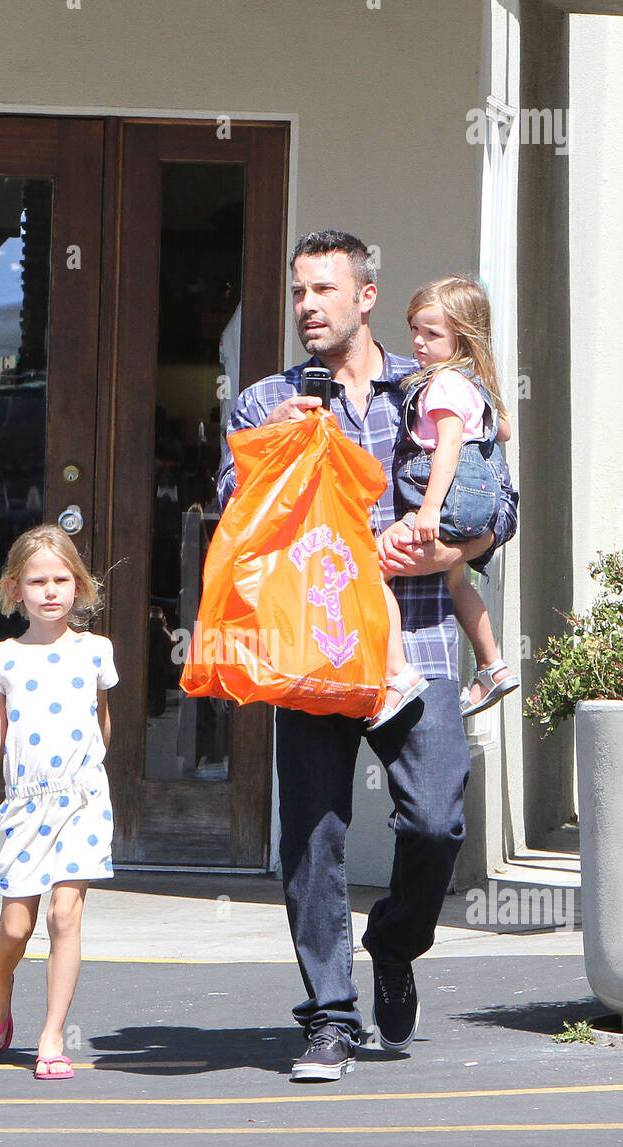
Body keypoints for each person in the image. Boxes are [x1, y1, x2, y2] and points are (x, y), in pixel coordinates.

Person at [217, 230, 518, 1081]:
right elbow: (232, 519)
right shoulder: (264, 401)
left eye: (323, 290)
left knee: (434, 821)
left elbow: (499, 500)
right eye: (299, 293)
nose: (308, 307)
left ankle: (392, 943)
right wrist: (273, 445)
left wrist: (460, 548)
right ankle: (328, 1018)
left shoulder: (431, 386)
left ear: (365, 295)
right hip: (310, 648)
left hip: (415, 639)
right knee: (311, 838)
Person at [0, 524, 117, 1080]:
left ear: (79, 586)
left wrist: (89, 773)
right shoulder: (3, 657)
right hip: (25, 807)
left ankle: (51, 1039)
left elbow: (102, 725)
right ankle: (1, 984)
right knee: (15, 927)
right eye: (37, 581)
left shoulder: (95, 651)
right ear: (15, 589)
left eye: (61, 579)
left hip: (82, 801)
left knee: (65, 914)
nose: (50, 590)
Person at [394, 276, 520, 717]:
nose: (418, 341)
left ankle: (397, 673)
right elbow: (501, 430)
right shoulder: (472, 383)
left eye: (432, 334)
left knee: (373, 567)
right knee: (455, 580)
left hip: (446, 500)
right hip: (479, 503)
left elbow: (448, 445)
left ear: (461, 338)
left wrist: (428, 508)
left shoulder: (444, 384)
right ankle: (493, 665)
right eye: (415, 329)